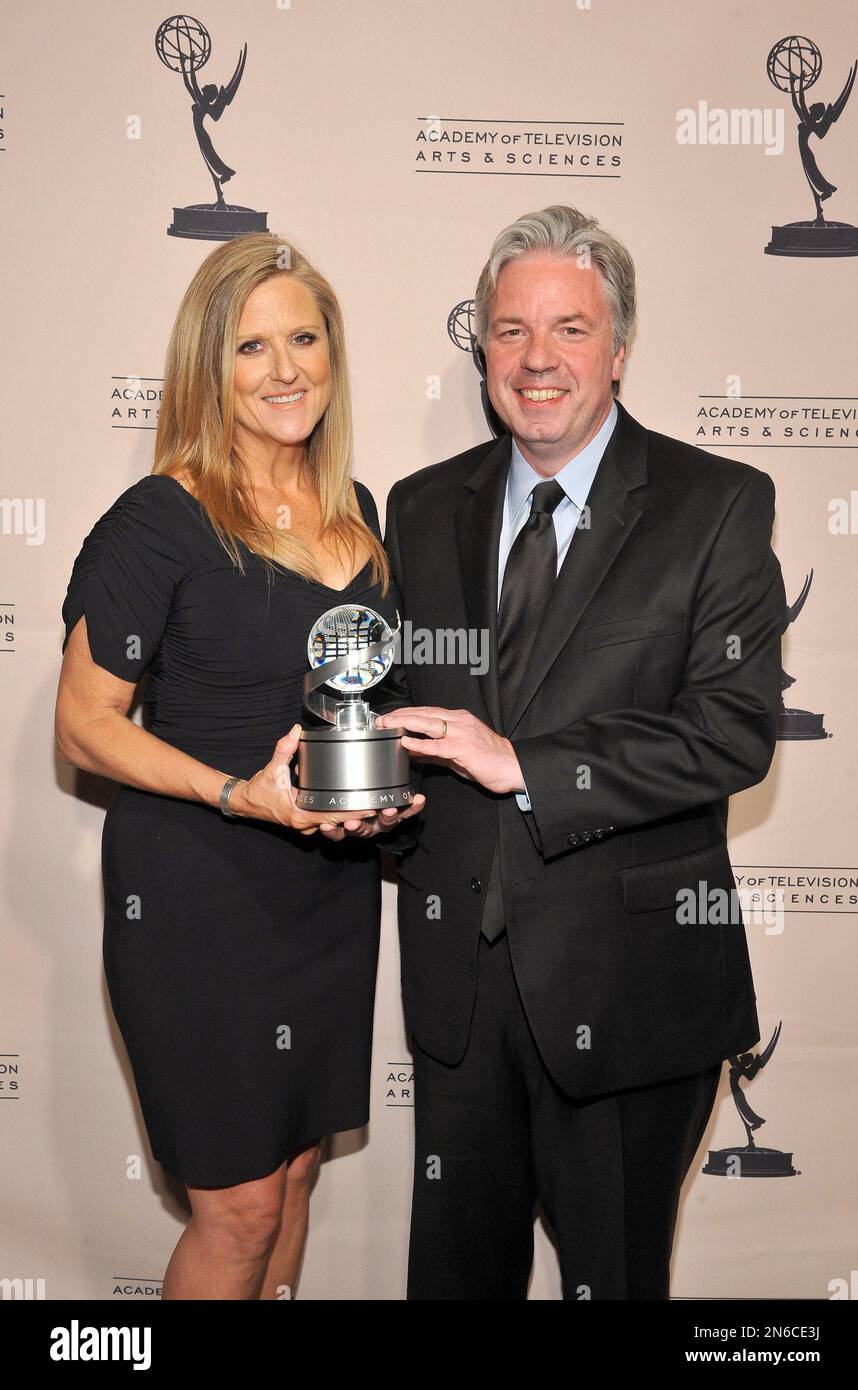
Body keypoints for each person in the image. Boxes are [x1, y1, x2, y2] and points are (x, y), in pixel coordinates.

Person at [375, 205, 788, 1299]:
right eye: (509, 330)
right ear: (481, 349)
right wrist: (359, 783)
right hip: (461, 994)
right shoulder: (420, 509)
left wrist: (528, 765)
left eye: (569, 328)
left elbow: (734, 727)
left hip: (633, 989)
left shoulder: (716, 505)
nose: (538, 358)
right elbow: (406, 709)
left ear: (619, 346)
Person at [54, 232, 423, 1300]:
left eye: (304, 337)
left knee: (299, 1170)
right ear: (205, 367)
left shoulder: (360, 510)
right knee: (241, 1202)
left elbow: (361, 704)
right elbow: (83, 727)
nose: (285, 369)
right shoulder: (159, 520)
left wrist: (376, 793)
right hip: (199, 897)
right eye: (250, 347)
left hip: (326, 892)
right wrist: (236, 792)